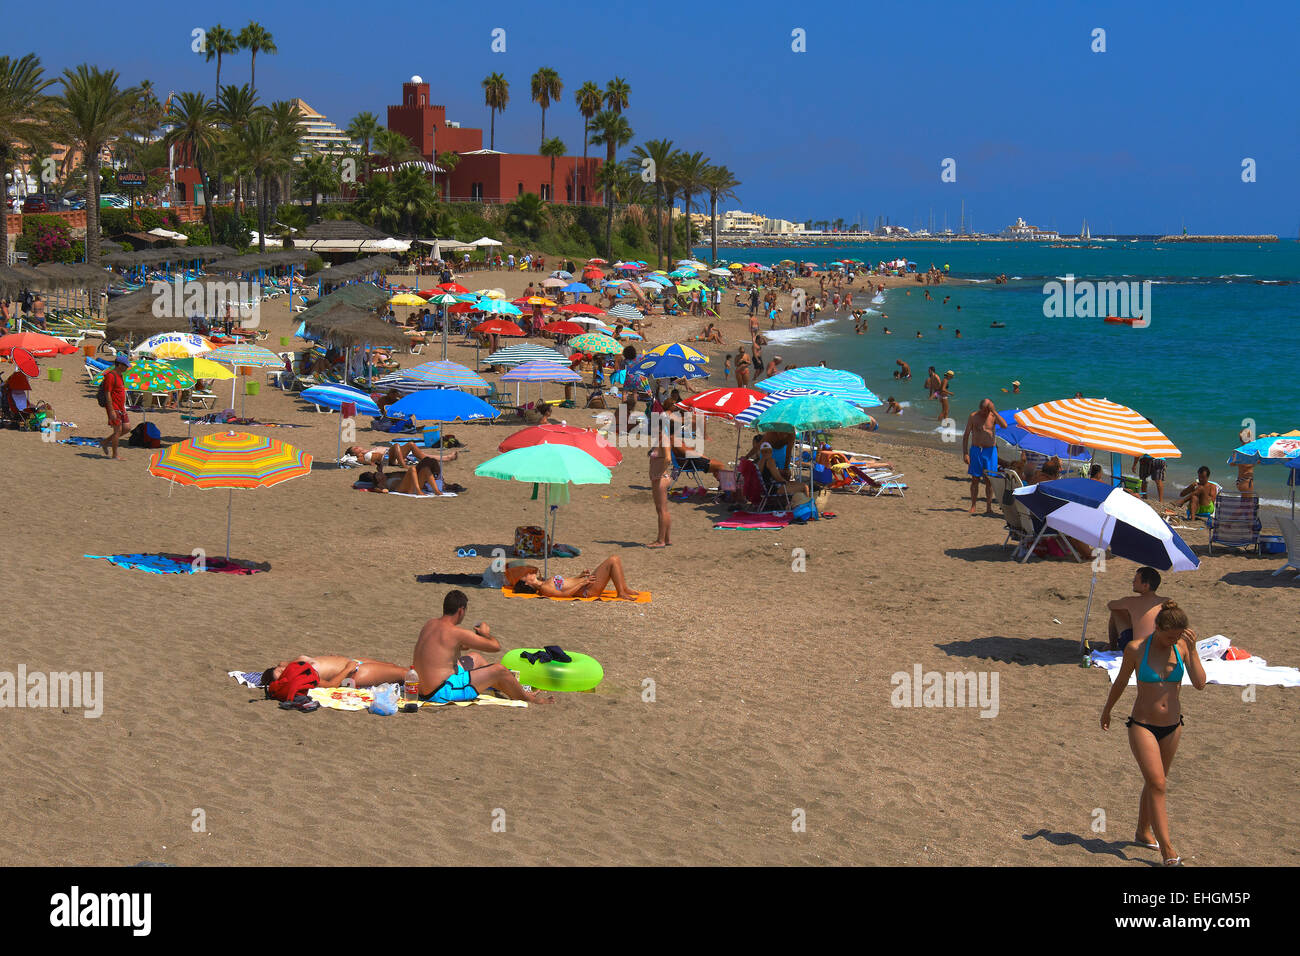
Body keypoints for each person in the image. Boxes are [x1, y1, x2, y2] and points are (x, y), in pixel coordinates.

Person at [1100, 600, 1205, 866]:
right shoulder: (1136, 649)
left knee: (1155, 782)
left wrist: (1193, 652)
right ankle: (1167, 849)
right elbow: (1121, 681)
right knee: (1158, 783)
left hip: (1173, 726)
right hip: (1142, 725)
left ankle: (1141, 831)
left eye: (1178, 637)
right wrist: (1107, 710)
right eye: (1169, 636)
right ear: (1156, 628)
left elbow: (1200, 684)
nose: (1173, 641)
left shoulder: (1182, 647)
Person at [413, 590, 547, 704]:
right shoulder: (456, 632)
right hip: (440, 692)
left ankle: (506, 685)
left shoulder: (430, 624)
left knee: (475, 658)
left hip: (423, 688)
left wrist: (474, 638)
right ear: (461, 611)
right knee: (498, 669)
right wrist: (486, 634)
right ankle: (528, 698)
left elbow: (455, 647)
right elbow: (495, 647)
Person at [509, 556, 643, 601]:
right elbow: (565, 594)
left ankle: (624, 588)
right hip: (588, 589)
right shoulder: (544, 588)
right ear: (526, 584)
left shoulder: (545, 582)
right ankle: (621, 593)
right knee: (613, 560)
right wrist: (582, 583)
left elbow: (566, 583)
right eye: (525, 576)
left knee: (616, 559)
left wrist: (579, 576)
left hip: (586, 583)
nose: (528, 574)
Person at [962, 398, 1007, 514]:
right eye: (983, 410)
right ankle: (973, 505)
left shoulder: (993, 416)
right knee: (975, 479)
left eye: (987, 411)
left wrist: (994, 412)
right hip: (976, 450)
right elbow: (966, 435)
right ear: (980, 408)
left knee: (989, 480)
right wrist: (965, 453)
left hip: (990, 451)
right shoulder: (973, 416)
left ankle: (988, 507)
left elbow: (1004, 426)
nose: (985, 413)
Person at [262, 654, 409, 690]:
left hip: (352, 661)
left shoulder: (292, 665)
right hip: (355, 672)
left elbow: (281, 664)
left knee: (393, 666)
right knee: (403, 674)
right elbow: (331, 685)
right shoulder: (302, 677)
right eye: (281, 675)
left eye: (279, 670)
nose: (283, 671)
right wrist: (347, 669)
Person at [1107, 567, 1166, 652]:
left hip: (1136, 652)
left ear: (1145, 585)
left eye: (1136, 580)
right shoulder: (1166, 601)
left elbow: (1111, 605)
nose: (1133, 582)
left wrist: (1128, 610)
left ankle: (1112, 647)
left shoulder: (1131, 601)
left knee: (1116, 611)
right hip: (1160, 648)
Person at [98, 353, 130, 460]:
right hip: (114, 407)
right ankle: (115, 455)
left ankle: (105, 442)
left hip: (121, 407)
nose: (127, 368)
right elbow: (107, 393)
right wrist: (111, 410)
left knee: (126, 428)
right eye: (125, 366)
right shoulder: (110, 376)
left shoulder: (120, 375)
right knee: (117, 431)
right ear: (119, 365)